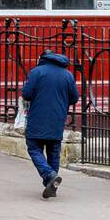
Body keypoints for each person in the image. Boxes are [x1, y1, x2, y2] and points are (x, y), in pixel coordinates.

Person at [21, 50, 80, 198]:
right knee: (53, 150)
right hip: (58, 119)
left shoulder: (36, 72)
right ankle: (51, 183)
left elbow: (26, 94)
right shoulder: (67, 74)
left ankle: (49, 175)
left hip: (37, 118)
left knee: (34, 147)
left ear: (42, 58)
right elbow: (74, 98)